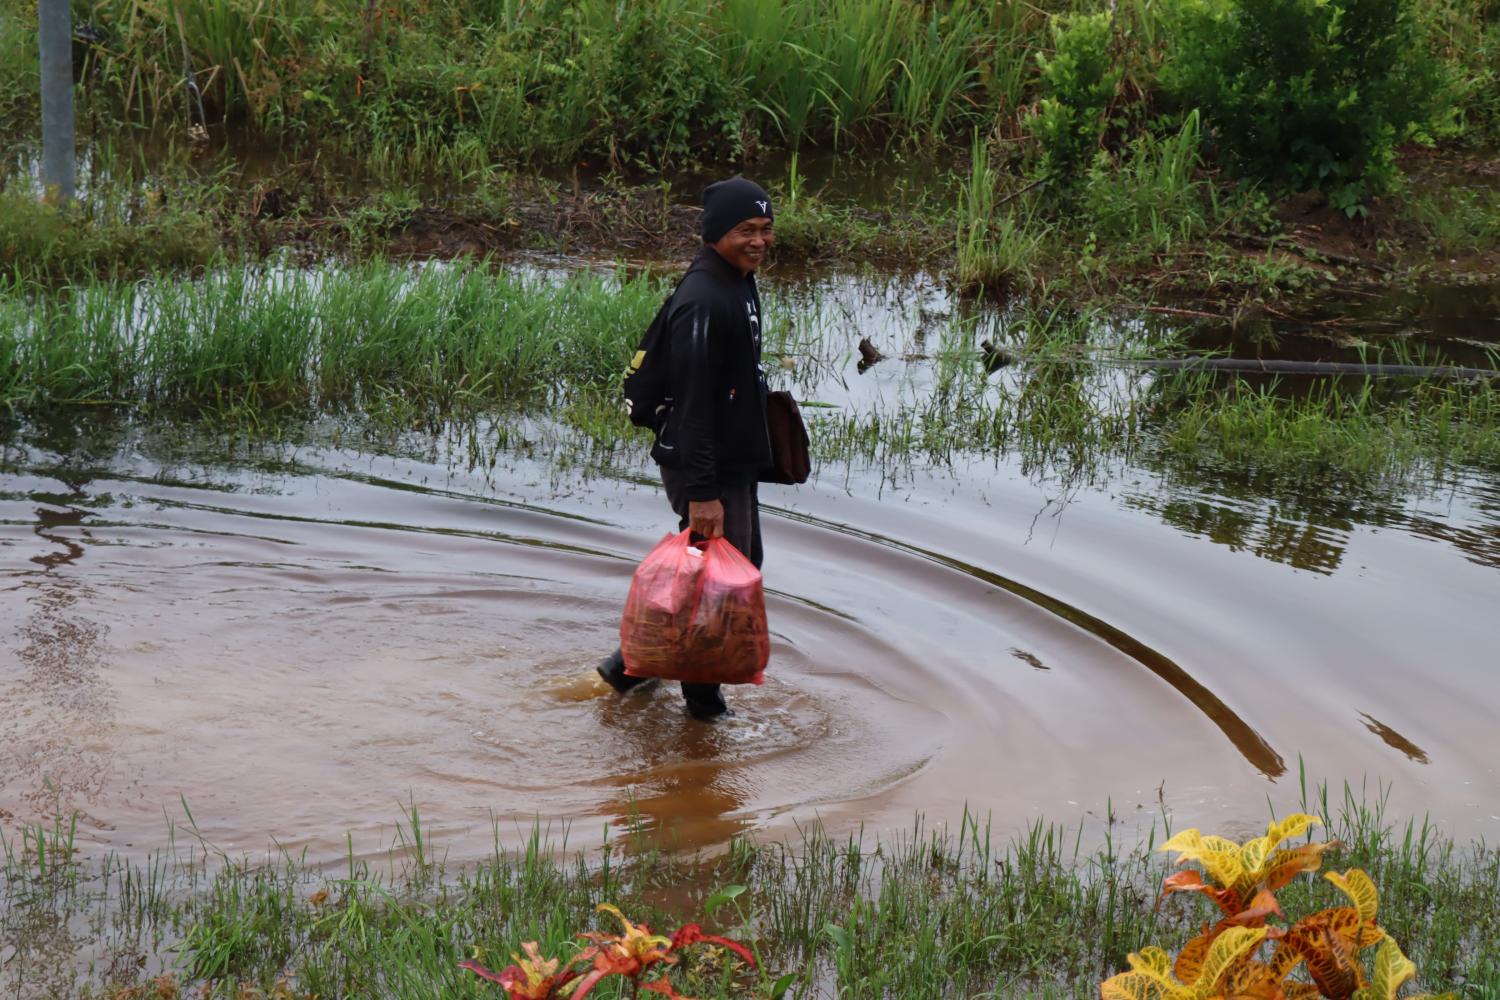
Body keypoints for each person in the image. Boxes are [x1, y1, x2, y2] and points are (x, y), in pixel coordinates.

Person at [597, 177, 775, 721]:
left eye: (766, 230)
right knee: (718, 592)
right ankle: (701, 715)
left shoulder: (737, 281)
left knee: (721, 579)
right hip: (707, 469)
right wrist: (703, 495)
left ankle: (631, 671)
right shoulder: (704, 298)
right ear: (717, 232)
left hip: (728, 462)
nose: (760, 241)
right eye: (747, 230)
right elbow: (695, 405)